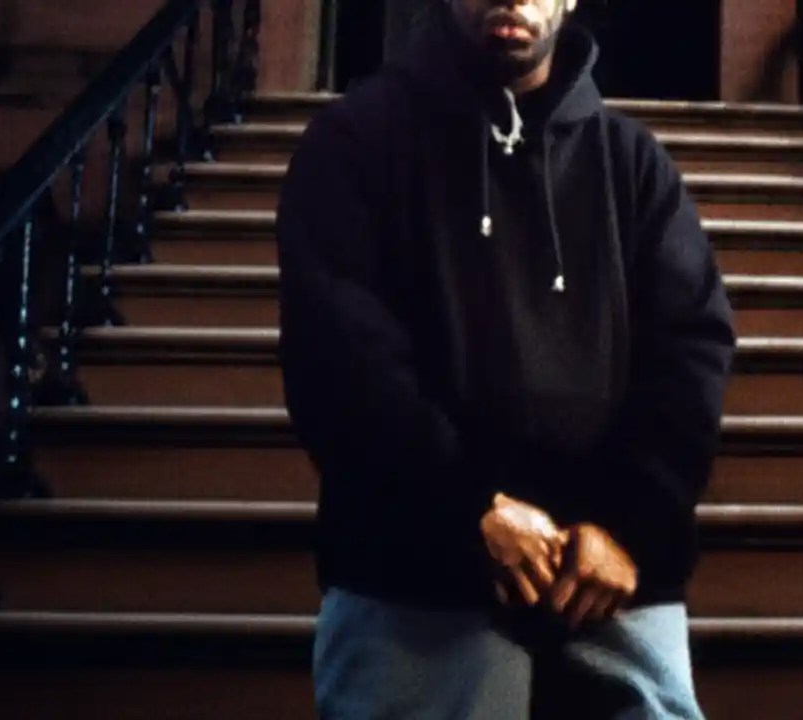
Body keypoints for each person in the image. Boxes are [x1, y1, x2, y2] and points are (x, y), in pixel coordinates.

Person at [276, 0, 735, 716]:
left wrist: (630, 525)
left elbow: (689, 356)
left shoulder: (634, 165)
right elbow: (340, 358)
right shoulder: (355, 142)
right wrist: (466, 508)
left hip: (606, 578)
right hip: (415, 573)